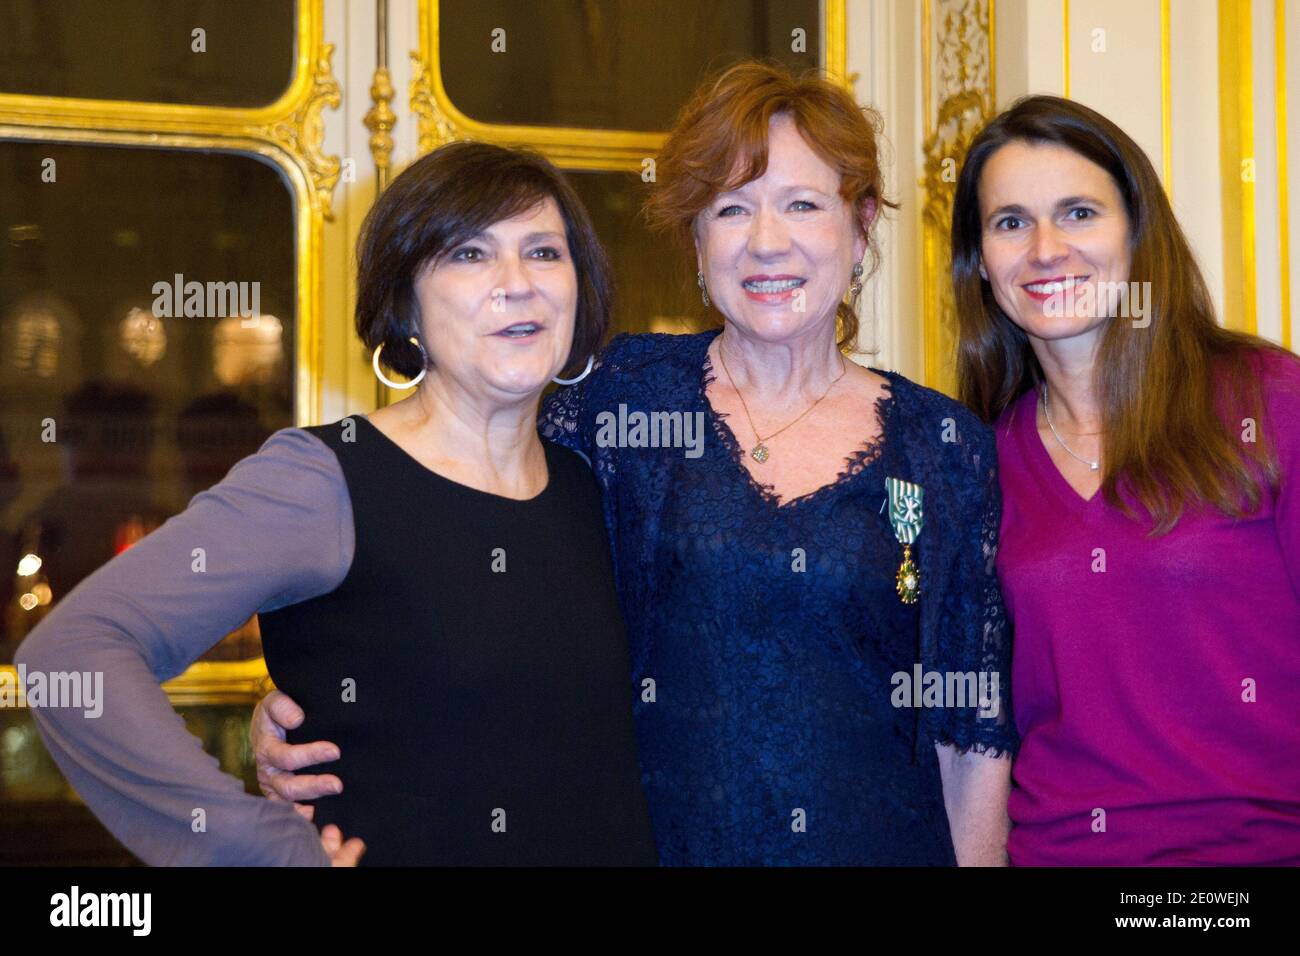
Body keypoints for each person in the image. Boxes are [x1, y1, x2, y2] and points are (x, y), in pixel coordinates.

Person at [259, 62, 1017, 865]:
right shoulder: (614, 398)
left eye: (802, 204)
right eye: (731, 209)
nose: (767, 242)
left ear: (860, 227)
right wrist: (315, 695)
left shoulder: (944, 445)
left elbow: (971, 733)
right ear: (697, 238)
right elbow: (455, 552)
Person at [15, 141, 657, 866]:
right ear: (406, 305)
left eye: (543, 252)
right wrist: (254, 846)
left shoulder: (596, 483)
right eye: (469, 256)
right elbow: (74, 654)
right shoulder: (323, 479)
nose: (518, 283)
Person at [952, 94, 1300, 865]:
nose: (1045, 249)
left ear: (1139, 233)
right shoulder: (978, 462)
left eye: (1079, 213)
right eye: (1010, 222)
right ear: (980, 262)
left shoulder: (1273, 403)